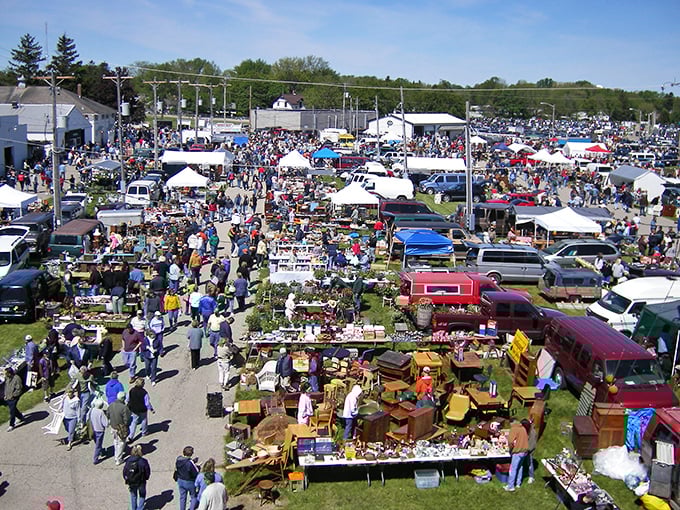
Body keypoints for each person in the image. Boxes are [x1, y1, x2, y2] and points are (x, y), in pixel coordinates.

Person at [123, 444, 151, 510]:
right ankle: (140, 508)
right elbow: (147, 471)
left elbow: (124, 472)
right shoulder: (143, 461)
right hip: (141, 481)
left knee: (133, 495)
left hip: (131, 481)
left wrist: (126, 478)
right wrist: (146, 478)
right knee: (142, 495)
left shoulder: (128, 461)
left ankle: (133, 508)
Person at [505, 417, 529, 491]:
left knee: (513, 469)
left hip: (518, 451)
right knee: (520, 467)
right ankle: (518, 483)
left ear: (512, 423)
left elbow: (510, 441)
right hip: (524, 451)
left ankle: (510, 486)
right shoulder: (523, 428)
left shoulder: (514, 428)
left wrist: (510, 448)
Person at [107, 390, 131, 466]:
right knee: (121, 442)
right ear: (123, 399)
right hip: (121, 428)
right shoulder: (124, 408)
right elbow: (127, 420)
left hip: (113, 426)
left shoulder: (111, 405)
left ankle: (116, 455)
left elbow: (107, 414)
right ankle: (118, 458)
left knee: (115, 441)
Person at [128, 378, 154, 442]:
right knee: (144, 419)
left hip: (134, 409)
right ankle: (144, 432)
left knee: (134, 421)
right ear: (142, 384)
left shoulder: (131, 390)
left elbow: (128, 399)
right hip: (142, 409)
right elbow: (147, 403)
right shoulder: (144, 392)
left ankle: (130, 436)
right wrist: (151, 409)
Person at [176, 445, 200, 510]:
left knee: (182, 497)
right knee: (193, 496)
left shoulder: (178, 459)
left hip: (180, 480)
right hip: (189, 482)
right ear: (191, 454)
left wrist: (193, 461)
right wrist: (198, 467)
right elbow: (195, 472)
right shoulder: (190, 463)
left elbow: (184, 464)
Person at [4, 367, 24, 431]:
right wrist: (5, 395)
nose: (5, 374)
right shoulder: (7, 378)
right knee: (13, 408)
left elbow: (19, 389)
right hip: (8, 397)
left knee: (12, 411)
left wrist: (14, 395)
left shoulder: (16, 378)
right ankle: (20, 417)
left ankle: (11, 425)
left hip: (14, 397)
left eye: (6, 373)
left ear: (10, 373)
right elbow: (6, 387)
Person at [89, 399, 109, 464]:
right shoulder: (101, 412)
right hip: (100, 430)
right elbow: (105, 424)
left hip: (93, 429)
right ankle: (95, 458)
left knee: (96, 442)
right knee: (98, 444)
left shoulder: (92, 410)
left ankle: (101, 451)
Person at [523, 418, 537, 484]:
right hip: (524, 449)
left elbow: (532, 444)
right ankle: (525, 472)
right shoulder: (526, 430)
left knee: (530, 463)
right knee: (525, 462)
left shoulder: (532, 432)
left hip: (529, 450)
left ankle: (531, 477)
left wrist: (527, 450)